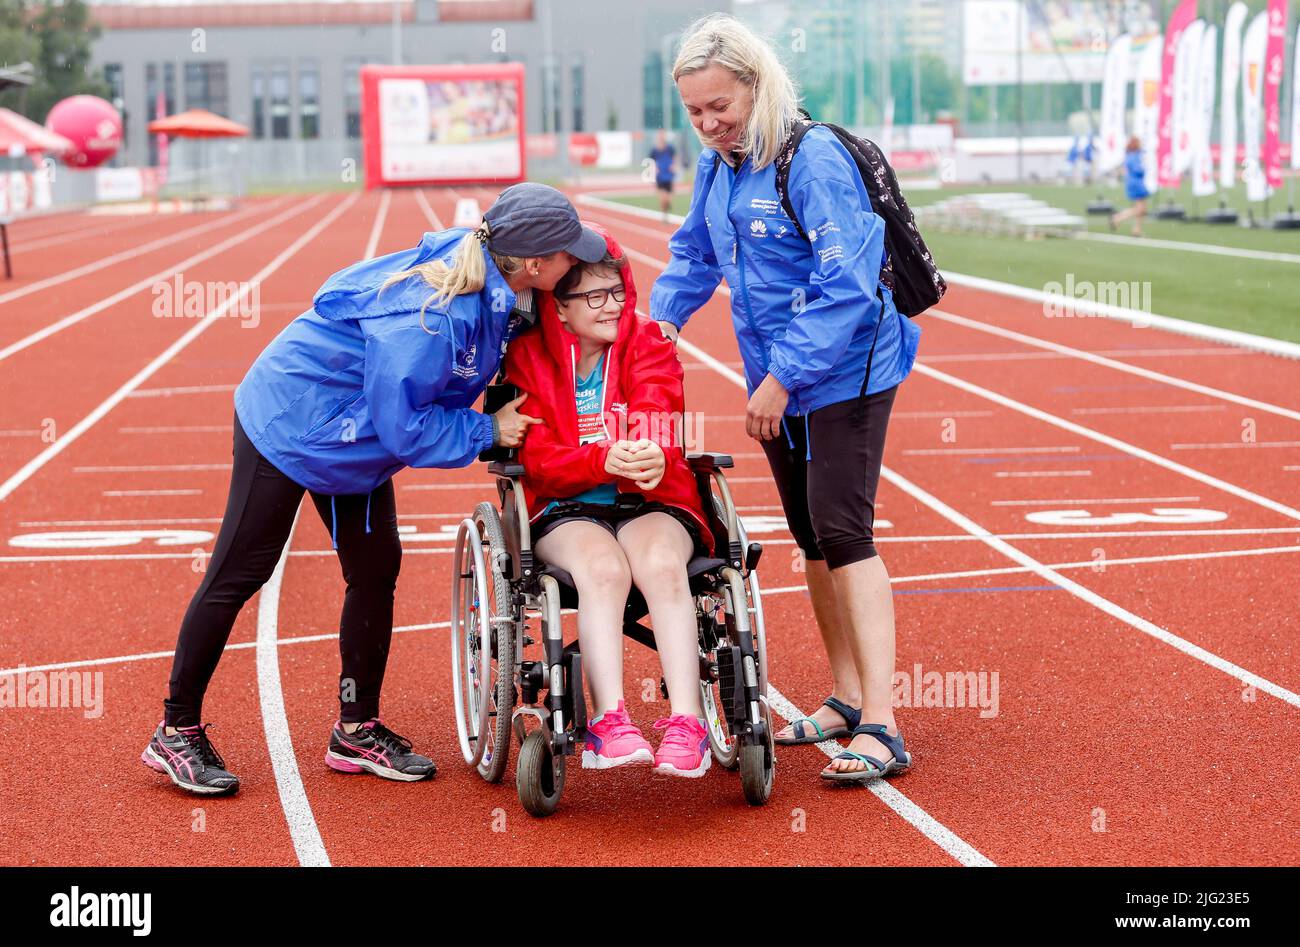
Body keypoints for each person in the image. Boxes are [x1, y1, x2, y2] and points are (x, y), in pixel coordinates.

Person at [140, 183, 607, 796]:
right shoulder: (433, 316)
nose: (577, 263)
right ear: (534, 263)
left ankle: (355, 729)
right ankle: (175, 732)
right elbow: (403, 426)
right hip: (292, 421)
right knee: (239, 572)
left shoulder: (495, 274)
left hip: (350, 437)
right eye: (568, 255)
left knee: (375, 566)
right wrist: (486, 428)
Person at [649, 14, 922, 783]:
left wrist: (783, 376)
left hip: (847, 370)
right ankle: (842, 694)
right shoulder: (718, 164)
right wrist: (662, 320)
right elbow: (695, 254)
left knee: (845, 529)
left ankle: (883, 722)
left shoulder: (814, 159)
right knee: (808, 536)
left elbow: (846, 286)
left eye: (720, 107)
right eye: (695, 111)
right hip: (777, 374)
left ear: (757, 85)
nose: (707, 123)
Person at [503, 223, 718, 778]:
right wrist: (599, 461)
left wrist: (654, 454)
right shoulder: (529, 359)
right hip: (566, 504)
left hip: (648, 501)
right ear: (559, 307)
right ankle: (611, 723)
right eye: (594, 296)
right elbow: (540, 460)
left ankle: (687, 724)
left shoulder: (648, 342)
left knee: (661, 564)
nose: (612, 305)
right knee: (602, 569)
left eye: (618, 291)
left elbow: (659, 410)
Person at [1111, 136, 1149, 237]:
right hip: (1137, 182)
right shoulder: (1135, 156)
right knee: (1140, 208)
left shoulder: (1129, 155)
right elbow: (1138, 170)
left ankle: (1136, 229)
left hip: (1132, 182)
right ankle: (1118, 218)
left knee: (1142, 208)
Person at [649, 129, 677, 220]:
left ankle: (667, 205)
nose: (662, 137)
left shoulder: (670, 147)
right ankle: (664, 215)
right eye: (660, 135)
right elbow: (651, 160)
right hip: (660, 175)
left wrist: (673, 165)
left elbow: (675, 157)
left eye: (663, 135)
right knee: (662, 197)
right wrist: (655, 169)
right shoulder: (655, 149)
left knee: (668, 198)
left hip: (668, 175)